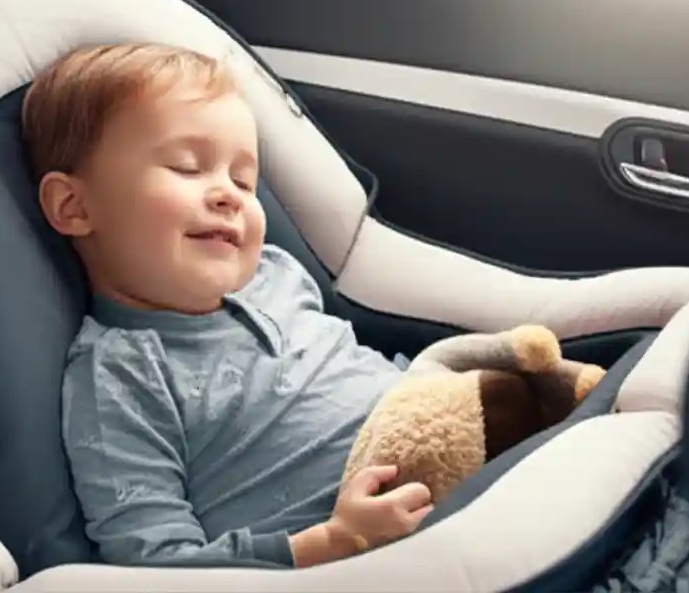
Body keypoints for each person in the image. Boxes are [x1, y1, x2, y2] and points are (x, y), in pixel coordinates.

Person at [21, 42, 433, 569]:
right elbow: (155, 565)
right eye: (188, 167)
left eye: (244, 180)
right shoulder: (121, 376)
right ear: (74, 206)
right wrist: (334, 540)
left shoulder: (277, 274)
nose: (230, 195)